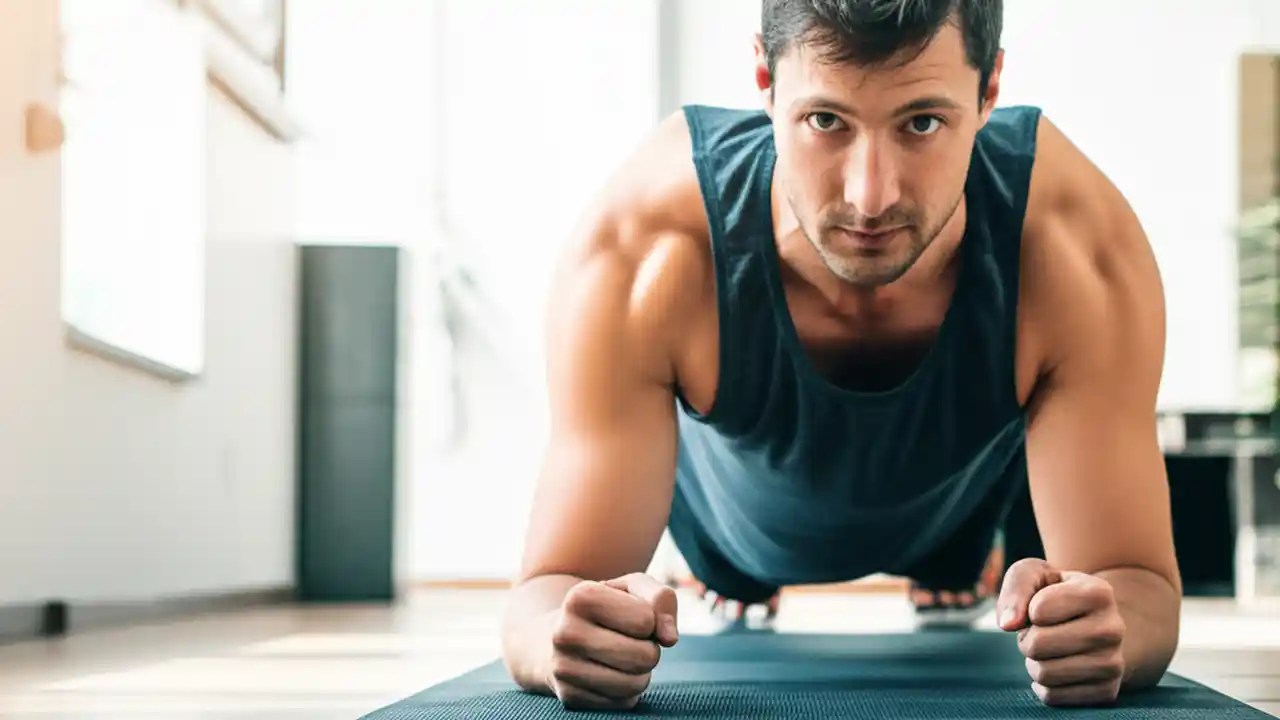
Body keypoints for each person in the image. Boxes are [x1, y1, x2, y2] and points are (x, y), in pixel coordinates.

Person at [500, 0, 1182, 711]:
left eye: (922, 122)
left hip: (959, 509)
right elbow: (548, 590)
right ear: (764, 77)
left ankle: (960, 559)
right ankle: (731, 574)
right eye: (827, 121)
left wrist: (1110, 631)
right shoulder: (645, 249)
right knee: (732, 576)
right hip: (733, 535)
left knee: (979, 543)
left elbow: (1139, 586)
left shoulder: (1076, 250)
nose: (870, 196)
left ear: (990, 92)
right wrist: (563, 635)